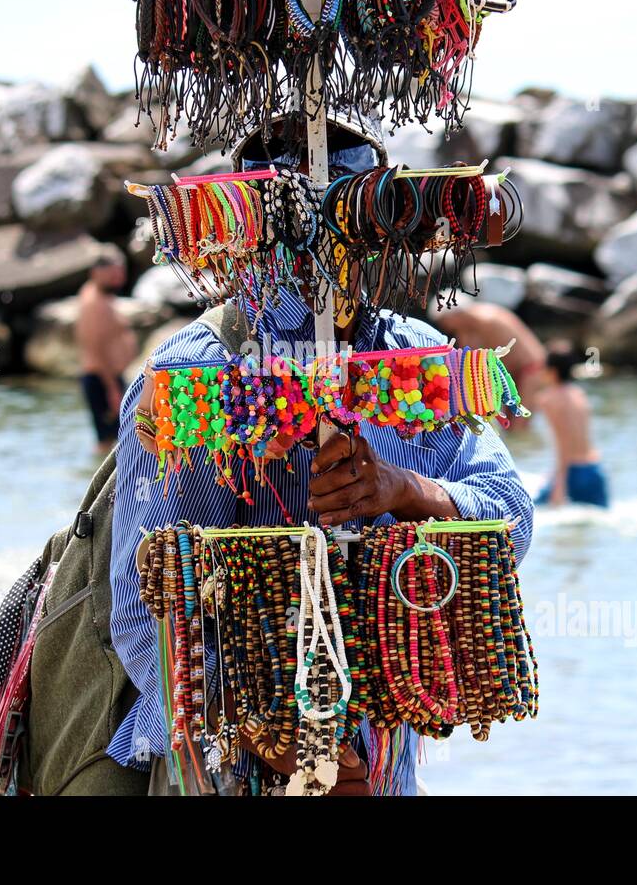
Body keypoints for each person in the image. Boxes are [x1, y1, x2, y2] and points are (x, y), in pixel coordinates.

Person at [108, 109, 536, 795]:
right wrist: (285, 745)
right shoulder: (193, 378)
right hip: (236, 769)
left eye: (361, 223)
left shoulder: (417, 357)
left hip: (382, 756)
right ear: (249, 238)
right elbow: (144, 609)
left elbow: (512, 521)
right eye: (304, 228)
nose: (334, 253)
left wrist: (407, 491)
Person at [429, 299, 547, 426]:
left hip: (530, 369)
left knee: (519, 425)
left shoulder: (488, 319)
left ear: (454, 315)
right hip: (514, 371)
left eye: (443, 322)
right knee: (508, 425)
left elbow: (497, 360)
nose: (444, 327)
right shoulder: (468, 327)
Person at [533, 340, 609, 508]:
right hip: (595, 469)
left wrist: (559, 481)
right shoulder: (579, 394)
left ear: (552, 372)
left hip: (574, 473)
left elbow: (564, 443)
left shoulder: (548, 399)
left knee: (531, 510)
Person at [75, 251, 138, 451]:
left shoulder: (102, 296)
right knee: (108, 442)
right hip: (102, 380)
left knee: (118, 438)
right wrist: (112, 389)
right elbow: (95, 346)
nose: (119, 278)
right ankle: (104, 481)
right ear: (96, 273)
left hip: (108, 379)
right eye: (114, 273)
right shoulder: (94, 302)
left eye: (121, 272)